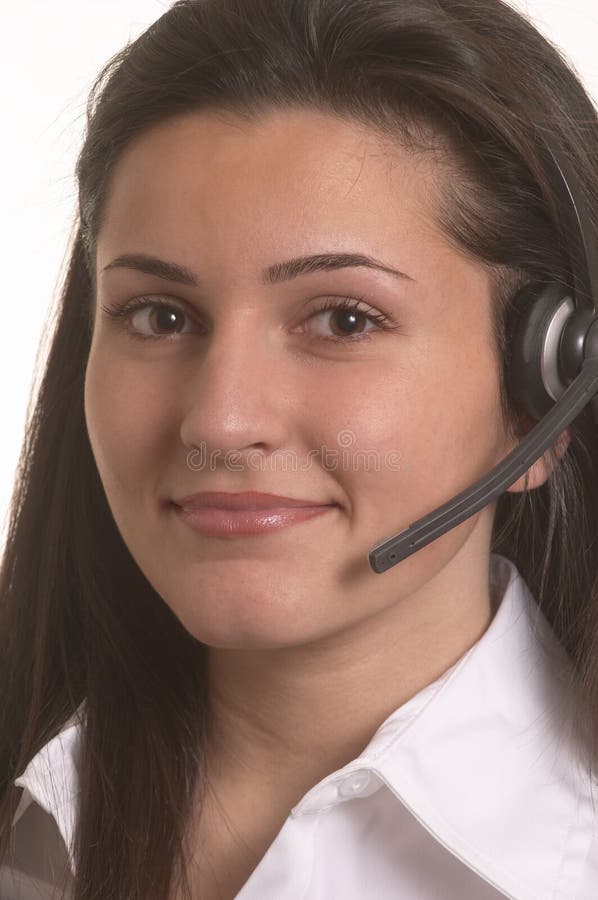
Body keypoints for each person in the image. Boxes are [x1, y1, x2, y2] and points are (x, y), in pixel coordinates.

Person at [1, 0, 598, 897]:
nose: (220, 420)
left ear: (543, 391)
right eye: (159, 317)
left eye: (343, 319)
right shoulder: (35, 826)